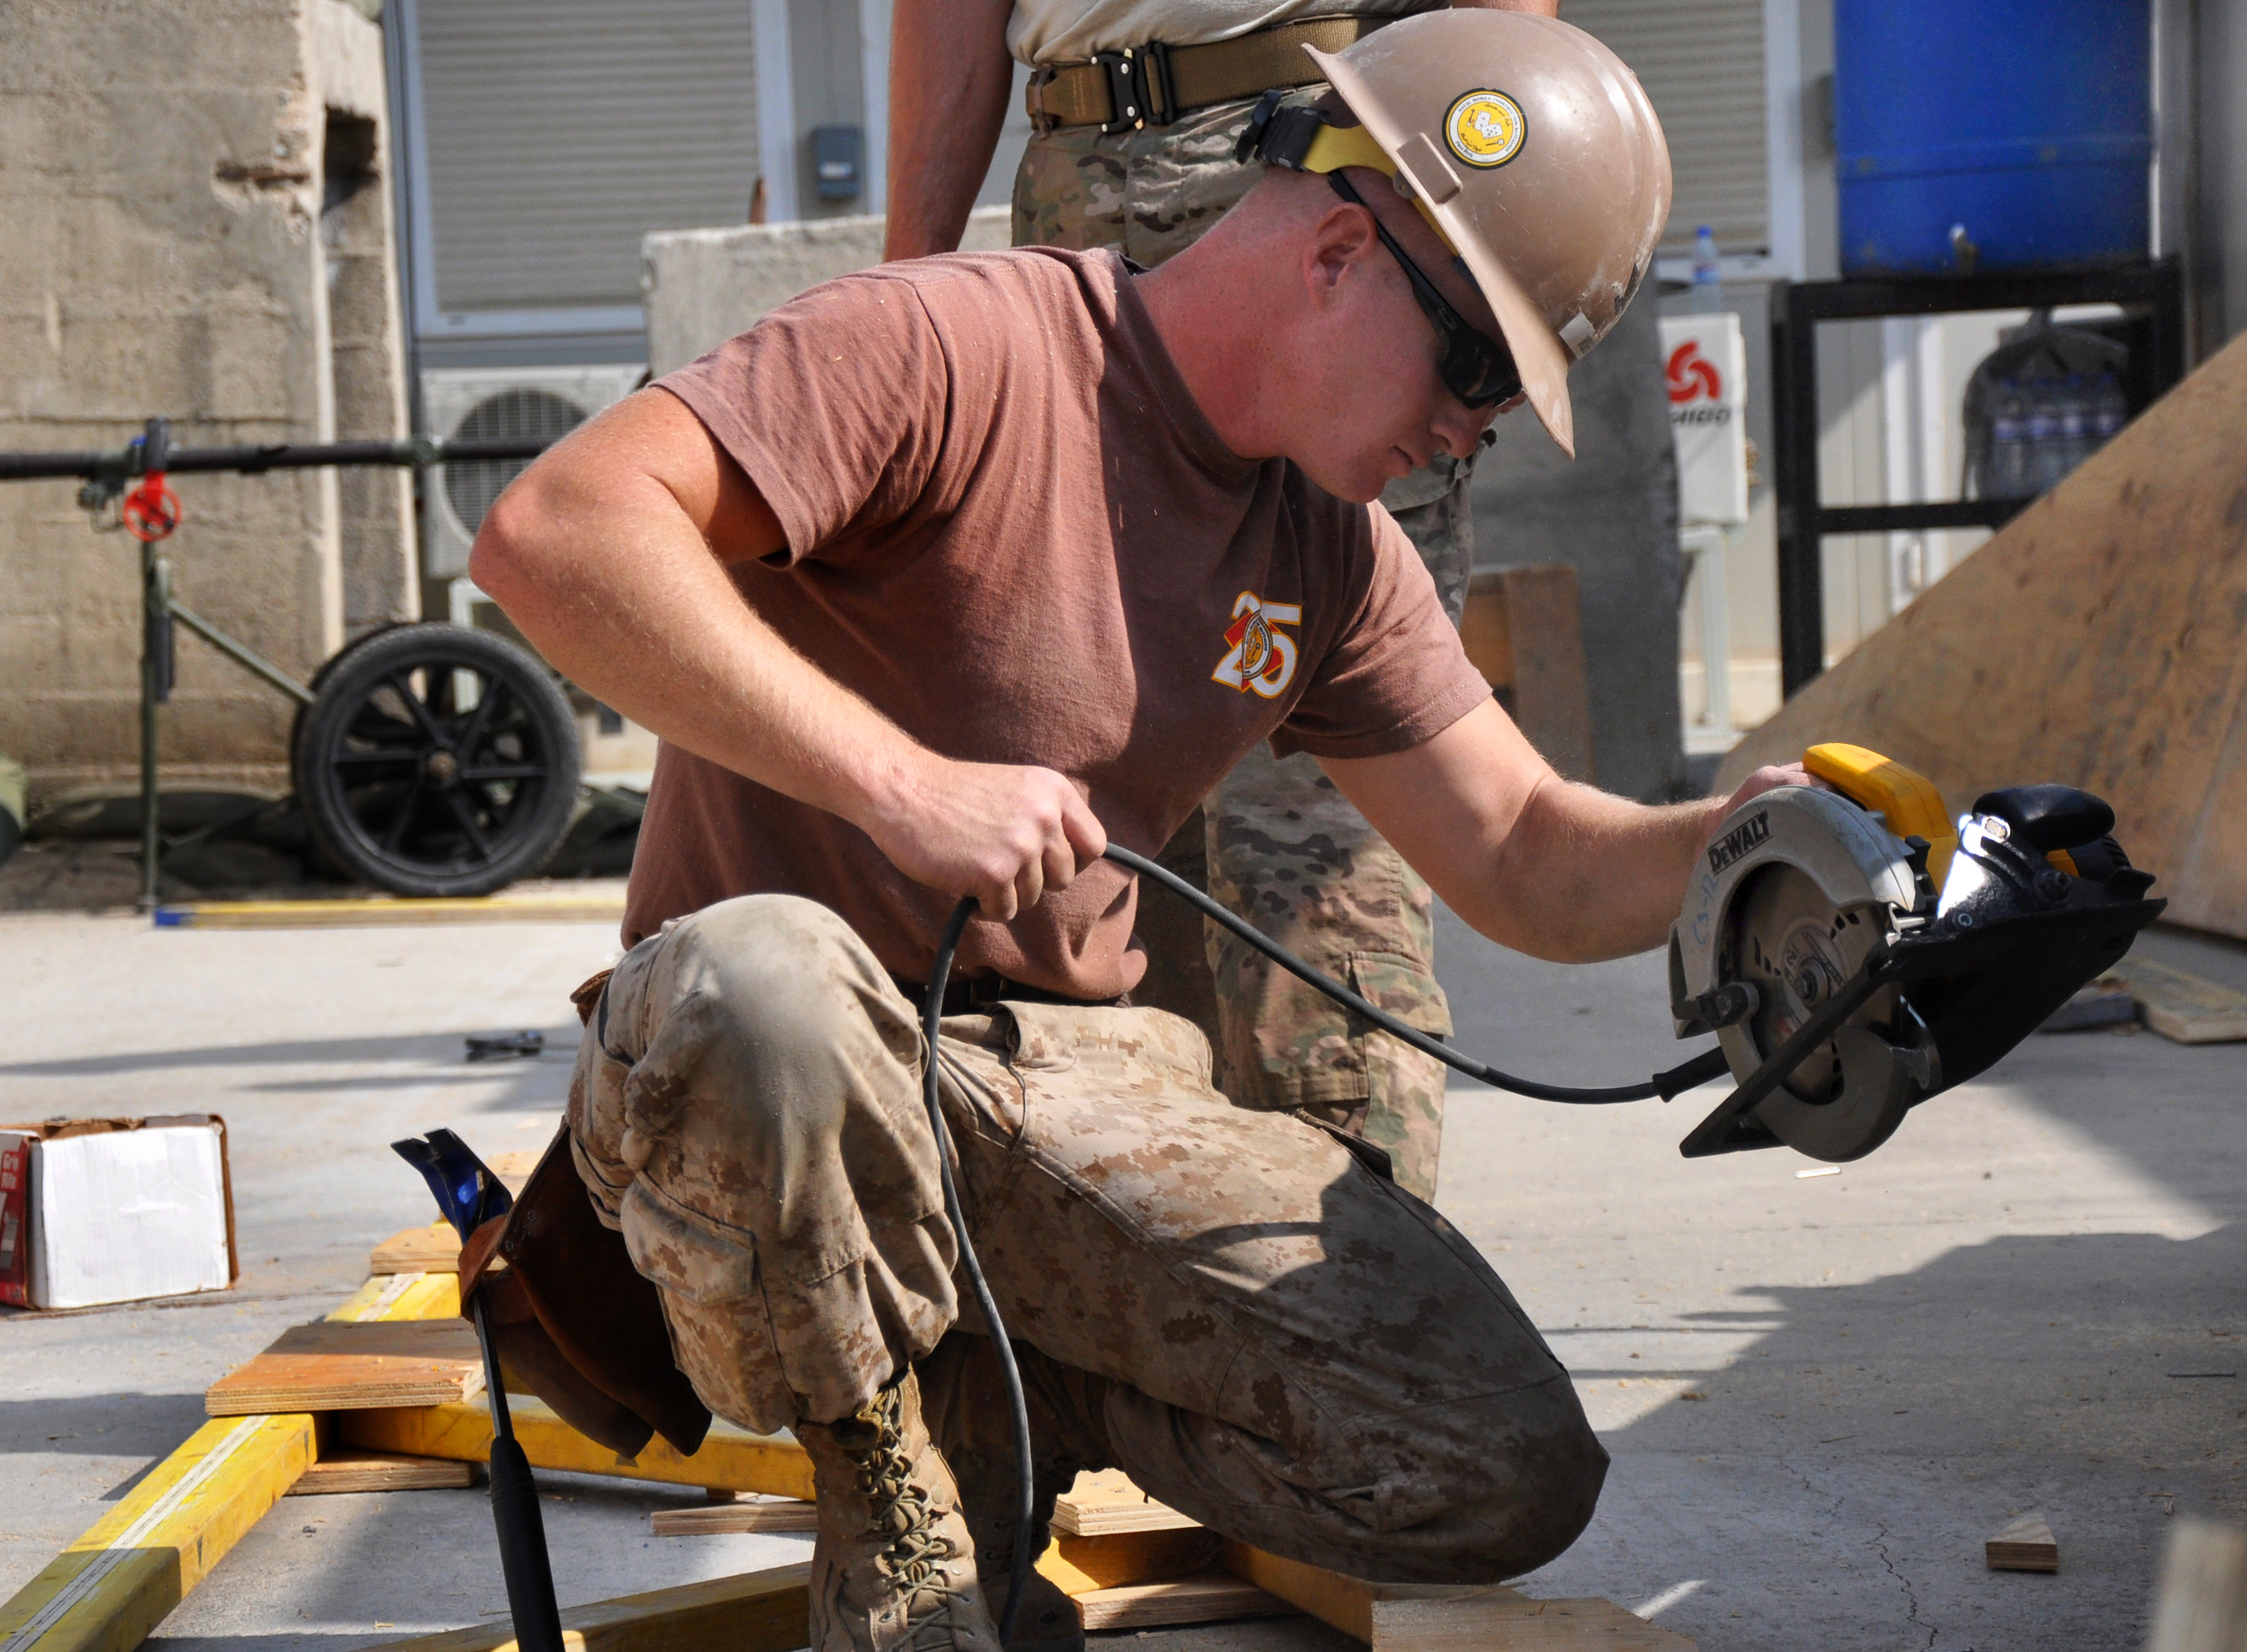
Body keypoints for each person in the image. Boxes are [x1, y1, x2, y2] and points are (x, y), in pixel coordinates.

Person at [473, 13, 1789, 1652]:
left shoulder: (1333, 556)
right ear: (1335, 249)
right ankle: (893, 1482)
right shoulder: (947, 348)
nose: (1469, 435)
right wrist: (901, 784)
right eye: (1472, 375)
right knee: (766, 987)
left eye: (1499, 408)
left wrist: (1737, 840)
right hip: (781, 1091)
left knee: (1499, 1463)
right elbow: (553, 533)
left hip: (1058, 1096)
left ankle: (1013, 1406)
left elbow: (1523, 845)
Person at [886, 0, 1559, 1210]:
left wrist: (1434, 229)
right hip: (1068, 179)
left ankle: (1357, 1307)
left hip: (1307, 158)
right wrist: (918, 290)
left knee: (1318, 842)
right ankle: (1166, 1302)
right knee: (1101, 834)